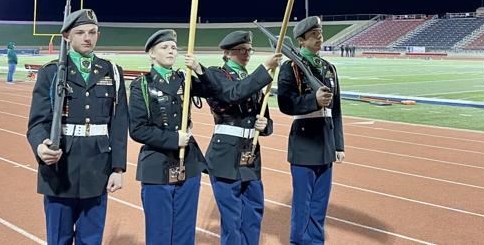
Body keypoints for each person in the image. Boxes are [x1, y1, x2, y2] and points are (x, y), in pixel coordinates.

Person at [130, 29, 275, 245]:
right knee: (160, 231)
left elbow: (218, 91)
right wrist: (174, 139)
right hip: (157, 163)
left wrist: (199, 69)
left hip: (188, 162)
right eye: (164, 47)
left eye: (173, 47)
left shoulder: (184, 80)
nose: (171, 51)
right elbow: (138, 129)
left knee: (185, 231)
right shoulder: (141, 85)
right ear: (151, 53)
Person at [26, 9, 129, 245]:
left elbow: (119, 123)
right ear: (67, 36)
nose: (87, 37)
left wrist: (117, 168)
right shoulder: (51, 72)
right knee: (58, 238)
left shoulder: (112, 72)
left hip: (97, 168)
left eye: (92, 32)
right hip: (60, 168)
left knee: (91, 239)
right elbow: (37, 122)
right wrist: (41, 147)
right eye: (80, 32)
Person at [205, 31, 282, 245]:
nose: (247, 54)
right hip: (225, 157)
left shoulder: (251, 80)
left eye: (249, 50)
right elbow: (233, 94)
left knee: (253, 214)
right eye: (242, 50)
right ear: (227, 53)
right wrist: (264, 69)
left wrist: (265, 125)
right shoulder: (217, 75)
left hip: (250, 156)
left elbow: (265, 117)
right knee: (232, 220)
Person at [277, 16, 345, 245]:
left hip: (326, 142)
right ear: (301, 40)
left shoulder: (328, 68)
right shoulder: (291, 67)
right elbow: (285, 103)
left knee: (320, 204)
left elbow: (336, 110)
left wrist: (338, 145)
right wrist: (313, 100)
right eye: (313, 35)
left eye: (320, 33)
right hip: (305, 141)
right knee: (303, 204)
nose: (319, 38)